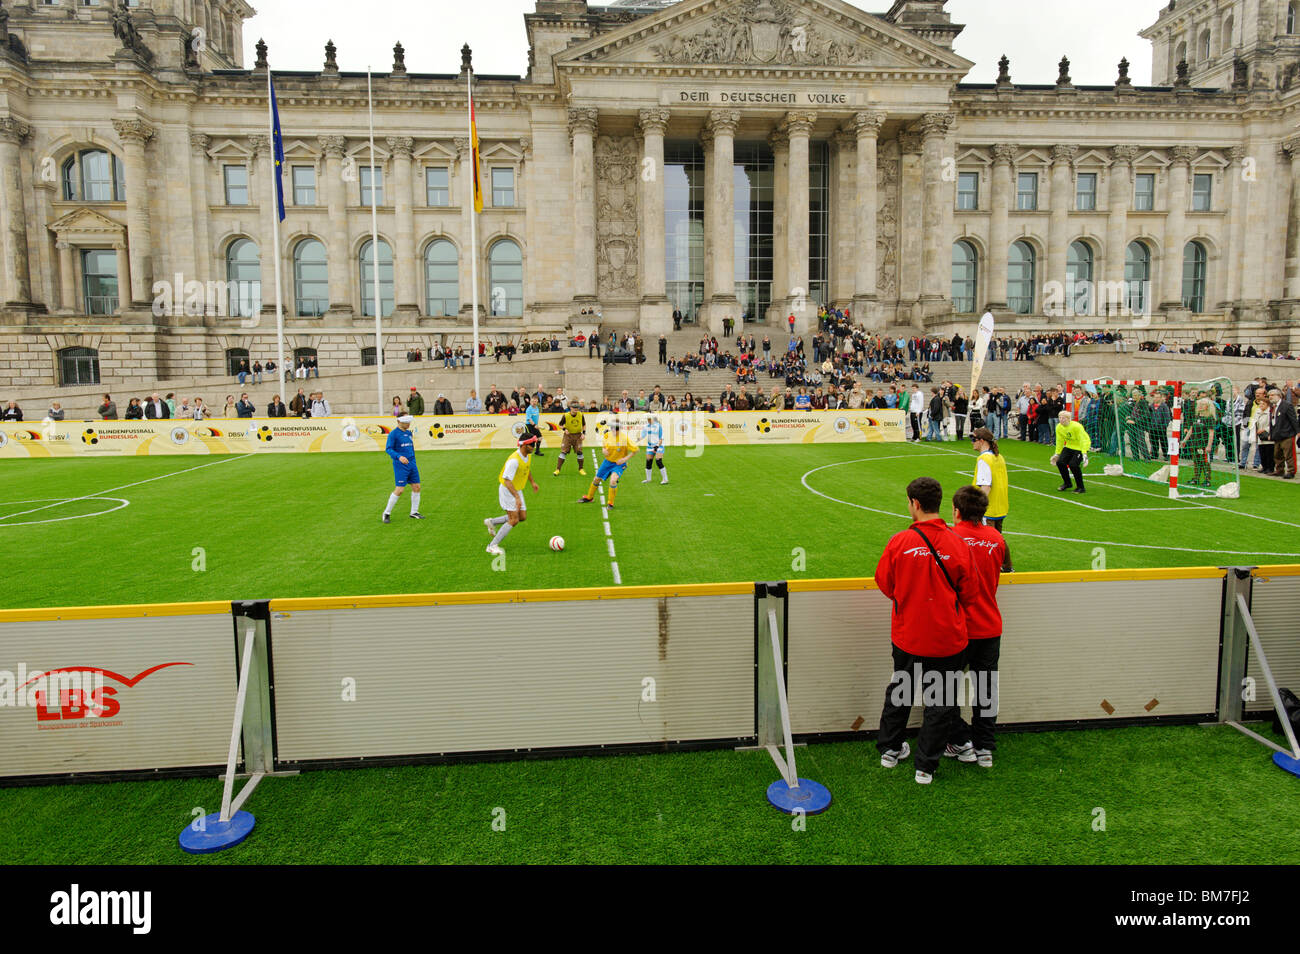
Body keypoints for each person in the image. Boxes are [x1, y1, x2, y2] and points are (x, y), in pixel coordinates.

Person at [874, 477, 973, 785]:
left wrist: (910, 599)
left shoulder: (900, 542)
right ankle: (925, 767)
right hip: (946, 637)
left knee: (901, 690)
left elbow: (884, 583)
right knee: (940, 700)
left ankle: (890, 749)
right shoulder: (956, 542)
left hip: (908, 634)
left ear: (915, 504)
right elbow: (969, 591)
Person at [947, 485, 1011, 769]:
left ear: (957, 511)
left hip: (958, 628)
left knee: (942, 690)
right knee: (986, 689)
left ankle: (961, 740)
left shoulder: (950, 538)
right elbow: (1006, 568)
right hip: (990, 625)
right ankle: (985, 747)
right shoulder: (997, 539)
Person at [485, 434, 539, 555]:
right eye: (532, 445)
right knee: (514, 520)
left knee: (522, 517)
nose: (534, 447)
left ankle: (492, 522)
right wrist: (516, 497)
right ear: (524, 445)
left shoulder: (526, 456)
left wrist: (532, 482)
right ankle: (492, 545)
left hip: (516, 489)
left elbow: (526, 468)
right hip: (508, 490)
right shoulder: (514, 460)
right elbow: (506, 480)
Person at [580, 420, 636, 510]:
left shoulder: (624, 438)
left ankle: (610, 503)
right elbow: (604, 446)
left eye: (614, 429)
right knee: (596, 479)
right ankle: (589, 497)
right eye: (612, 428)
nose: (613, 431)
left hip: (619, 464)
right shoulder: (607, 435)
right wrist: (603, 450)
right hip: (608, 462)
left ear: (618, 429)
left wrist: (624, 459)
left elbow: (635, 450)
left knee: (613, 481)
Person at [381, 414, 423, 523]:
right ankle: (386, 513)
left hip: (412, 463)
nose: (409, 424)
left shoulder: (409, 433)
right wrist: (399, 457)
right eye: (406, 422)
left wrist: (413, 459)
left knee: (417, 487)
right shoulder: (393, 434)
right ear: (399, 421)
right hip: (400, 465)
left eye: (409, 422)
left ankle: (414, 512)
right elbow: (388, 449)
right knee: (400, 490)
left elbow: (411, 448)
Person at [971, 427, 1009, 530]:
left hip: (988, 509)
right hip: (1000, 507)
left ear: (982, 441)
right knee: (997, 541)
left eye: (974, 439)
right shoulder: (999, 457)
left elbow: (986, 486)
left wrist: (977, 508)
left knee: (988, 542)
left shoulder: (984, 459)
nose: (972, 442)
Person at [1052, 410, 1091, 493]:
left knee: (1073, 465)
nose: (1061, 419)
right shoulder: (1059, 427)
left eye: (1064, 418)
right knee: (1060, 462)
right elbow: (1059, 440)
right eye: (1060, 417)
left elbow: (1082, 440)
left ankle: (1080, 487)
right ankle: (1067, 483)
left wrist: (1084, 453)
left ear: (1069, 419)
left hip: (1080, 447)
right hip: (1069, 445)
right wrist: (1057, 453)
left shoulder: (1077, 426)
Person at [1270, 388, 1298, 479]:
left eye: (1272, 395)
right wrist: (1271, 433)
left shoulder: (1287, 405)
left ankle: (1291, 471)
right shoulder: (1273, 407)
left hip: (1287, 434)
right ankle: (1279, 470)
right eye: (1269, 395)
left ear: (1279, 396)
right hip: (1277, 435)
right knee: (1277, 455)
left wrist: (1298, 431)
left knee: (1289, 455)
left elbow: (1293, 419)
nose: (1270, 397)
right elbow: (1272, 422)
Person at [554, 403, 587, 476]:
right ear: (570, 408)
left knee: (579, 452)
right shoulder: (566, 415)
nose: (576, 409)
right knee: (563, 452)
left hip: (578, 435)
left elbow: (584, 424)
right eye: (574, 407)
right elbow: (560, 425)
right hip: (568, 435)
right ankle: (557, 469)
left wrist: (583, 433)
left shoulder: (581, 415)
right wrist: (564, 429)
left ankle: (581, 469)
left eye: (577, 408)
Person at [640, 413, 667, 485]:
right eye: (647, 419)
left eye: (649, 419)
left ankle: (665, 479)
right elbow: (643, 435)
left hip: (659, 446)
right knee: (648, 461)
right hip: (650, 446)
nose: (648, 420)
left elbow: (661, 438)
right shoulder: (646, 426)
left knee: (658, 461)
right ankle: (648, 479)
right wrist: (638, 439)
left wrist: (657, 446)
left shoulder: (658, 426)